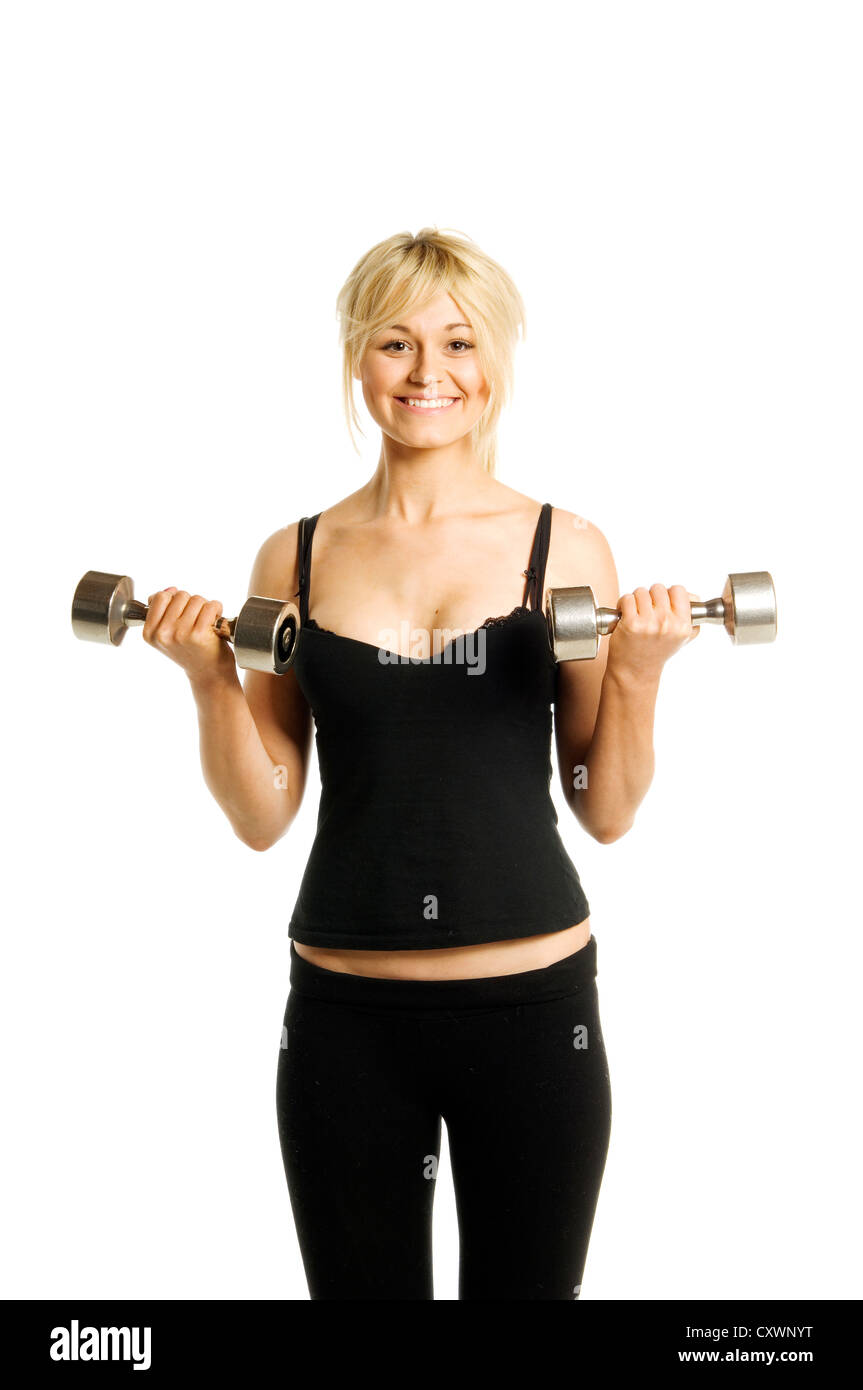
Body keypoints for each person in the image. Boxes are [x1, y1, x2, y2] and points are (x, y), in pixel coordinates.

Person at [142, 227, 699, 1300]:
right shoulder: (291, 556)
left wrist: (636, 672)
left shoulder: (564, 548)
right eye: (396, 344)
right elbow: (263, 816)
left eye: (456, 343)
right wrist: (207, 679)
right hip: (347, 1021)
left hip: (534, 1014)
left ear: (494, 362)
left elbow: (605, 807)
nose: (428, 374)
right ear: (358, 358)